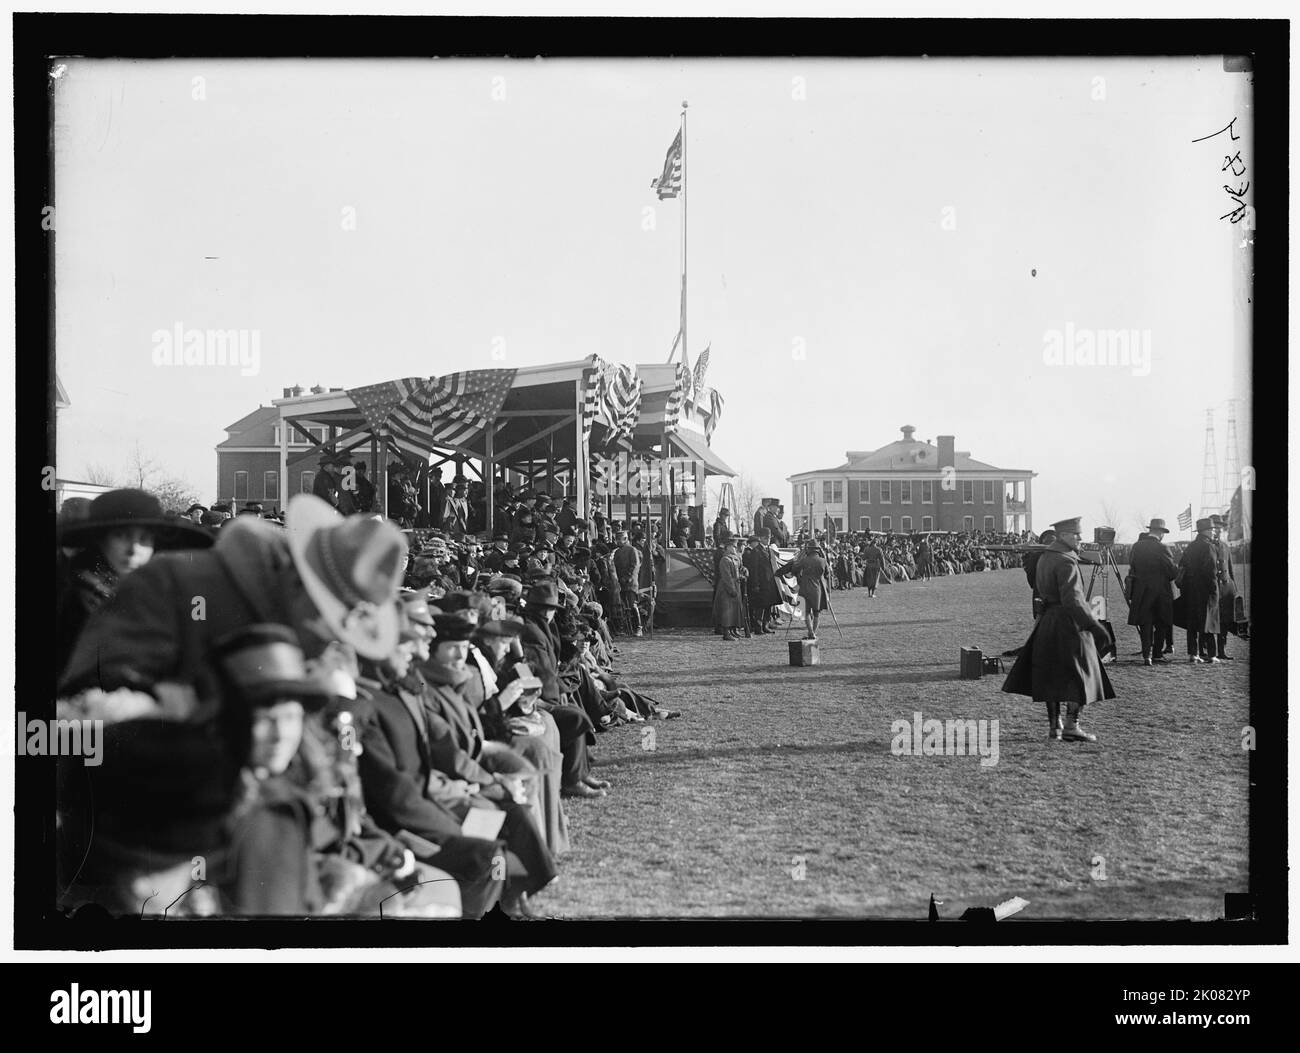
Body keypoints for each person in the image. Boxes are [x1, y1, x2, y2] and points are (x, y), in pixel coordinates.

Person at [56, 488, 214, 678]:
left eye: (144, 539)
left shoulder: (169, 592)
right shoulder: (75, 594)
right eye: (122, 536)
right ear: (101, 539)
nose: (134, 549)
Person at [1002, 517, 1114, 742]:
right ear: (1063, 536)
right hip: (1069, 623)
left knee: (1050, 675)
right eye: (1076, 535)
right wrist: (1094, 625)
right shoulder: (1066, 561)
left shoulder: (1045, 557)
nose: (1080, 539)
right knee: (1083, 673)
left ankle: (1055, 726)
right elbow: (1073, 599)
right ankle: (1072, 725)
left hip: (1047, 621)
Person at [1125, 519, 1177, 666]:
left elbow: (1132, 566)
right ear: (1161, 533)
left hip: (1141, 591)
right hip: (1160, 593)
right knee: (1161, 623)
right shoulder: (1163, 548)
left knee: (1145, 623)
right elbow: (1172, 572)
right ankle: (1157, 654)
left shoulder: (1136, 547)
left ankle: (1146, 654)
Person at [1177, 518, 1221, 664]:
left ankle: (1193, 654)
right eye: (1212, 529)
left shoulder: (1190, 547)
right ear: (1207, 531)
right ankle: (1211, 654)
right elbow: (1211, 571)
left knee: (1192, 623)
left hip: (1190, 589)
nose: (1214, 531)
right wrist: (1214, 590)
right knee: (1209, 621)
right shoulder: (1209, 547)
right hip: (1205, 590)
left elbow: (1182, 565)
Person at [776, 540, 831, 641]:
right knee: (816, 612)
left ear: (808, 550)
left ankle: (810, 632)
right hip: (817, 589)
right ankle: (813, 633)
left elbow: (794, 569)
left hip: (804, 588)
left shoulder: (804, 560)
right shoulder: (823, 561)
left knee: (806, 612)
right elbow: (827, 574)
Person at [1211, 514, 1238, 660]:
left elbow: (1230, 569)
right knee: (1210, 621)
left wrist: (1235, 590)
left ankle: (1222, 651)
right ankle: (1207, 651)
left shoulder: (1225, 547)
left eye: (1220, 527)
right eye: (1215, 527)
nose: (1218, 530)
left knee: (1225, 622)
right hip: (1212, 589)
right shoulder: (1207, 546)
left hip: (1226, 590)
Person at [742, 534, 781, 634]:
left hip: (769, 582)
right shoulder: (756, 551)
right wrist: (755, 584)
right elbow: (754, 569)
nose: (767, 540)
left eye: (768, 538)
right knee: (760, 607)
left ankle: (765, 625)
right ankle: (758, 627)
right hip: (761, 583)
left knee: (768, 605)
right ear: (761, 539)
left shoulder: (768, 550)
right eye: (765, 538)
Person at [712, 539, 747, 642]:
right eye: (733, 546)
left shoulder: (735, 559)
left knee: (734, 610)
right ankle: (726, 632)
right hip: (726, 588)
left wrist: (744, 571)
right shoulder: (725, 560)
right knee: (727, 611)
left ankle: (733, 630)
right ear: (727, 548)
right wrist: (731, 589)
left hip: (736, 586)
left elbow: (740, 570)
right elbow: (726, 576)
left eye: (735, 547)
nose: (735, 548)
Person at [612, 530, 643, 637]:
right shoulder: (616, 552)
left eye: (619, 539)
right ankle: (624, 627)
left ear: (625, 539)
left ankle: (638, 627)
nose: (617, 541)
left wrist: (627, 578)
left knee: (632, 605)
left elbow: (635, 566)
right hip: (620, 582)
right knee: (622, 606)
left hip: (630, 583)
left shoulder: (632, 550)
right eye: (616, 539)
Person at [1022, 528, 1057, 619]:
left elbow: (1031, 576)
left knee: (1040, 621)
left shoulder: (1035, 556)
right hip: (1057, 599)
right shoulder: (1062, 556)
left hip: (1040, 593)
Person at [860, 533, 886, 598]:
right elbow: (882, 559)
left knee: (869, 580)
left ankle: (869, 593)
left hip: (868, 565)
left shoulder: (866, 549)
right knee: (875, 580)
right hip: (875, 566)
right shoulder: (878, 549)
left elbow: (863, 558)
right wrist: (883, 567)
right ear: (876, 542)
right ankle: (873, 594)